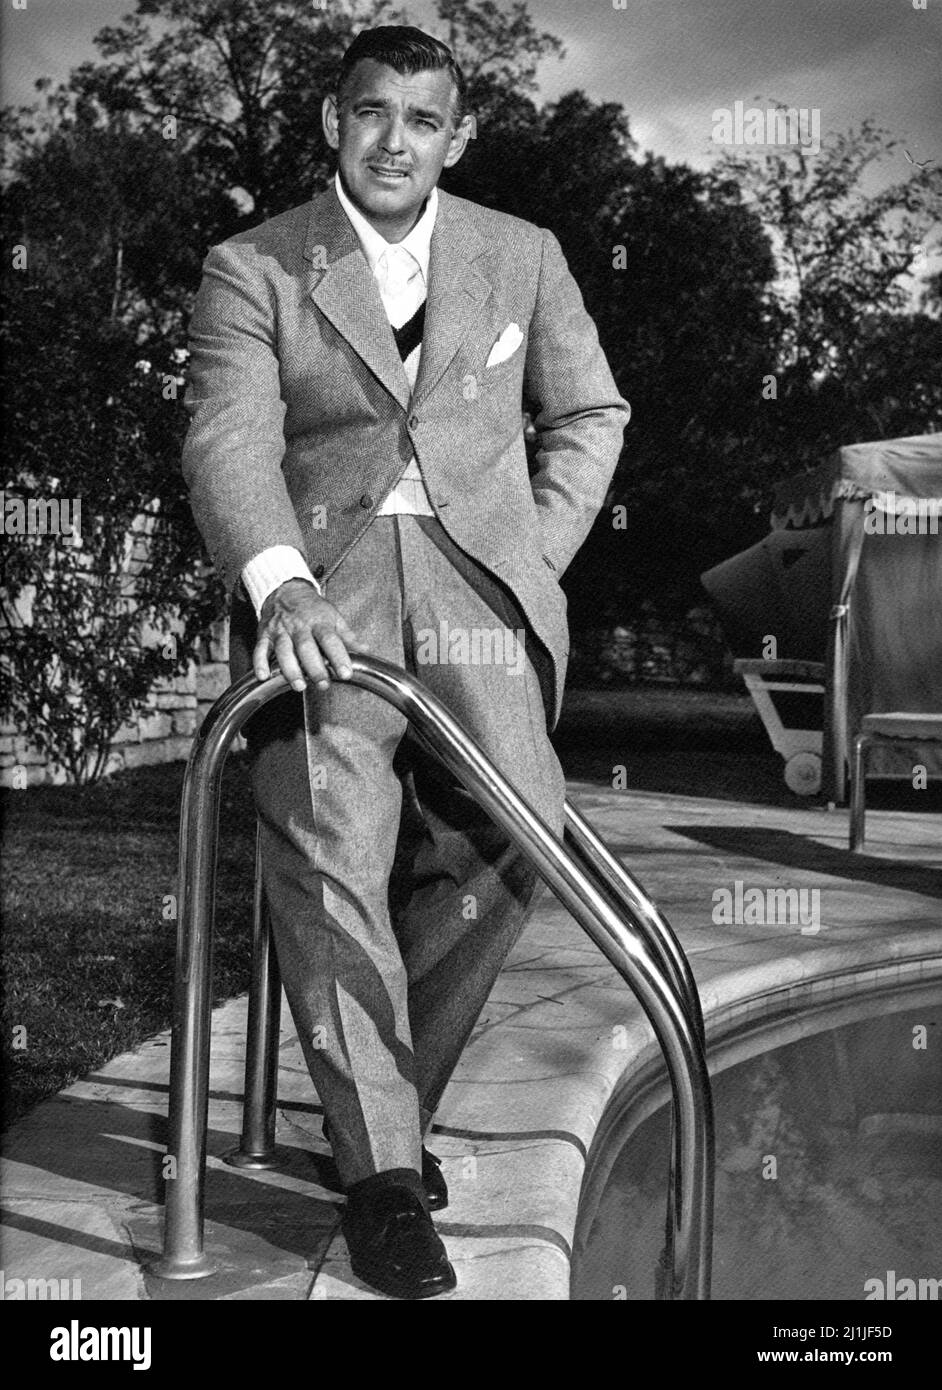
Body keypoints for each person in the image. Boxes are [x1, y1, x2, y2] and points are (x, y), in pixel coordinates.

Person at [182, 23, 629, 1300]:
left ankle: (384, 1103)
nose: (394, 142)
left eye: (421, 121)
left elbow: (590, 412)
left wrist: (529, 549)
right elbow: (229, 442)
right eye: (370, 113)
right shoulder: (253, 264)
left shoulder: (520, 254)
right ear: (334, 121)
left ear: (456, 136)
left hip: (481, 590)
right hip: (324, 594)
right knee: (327, 857)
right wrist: (282, 581)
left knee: (510, 845)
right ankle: (384, 1176)